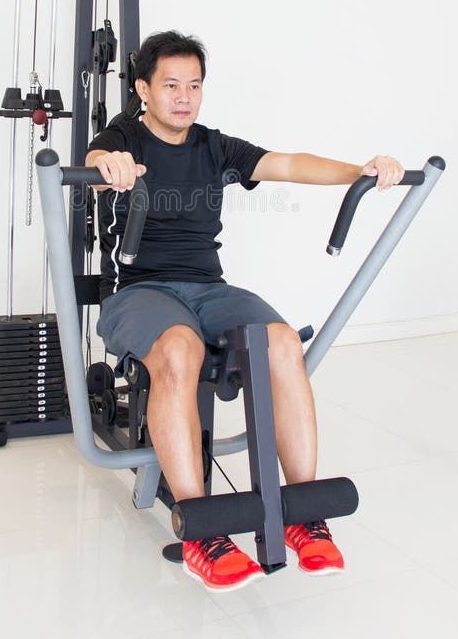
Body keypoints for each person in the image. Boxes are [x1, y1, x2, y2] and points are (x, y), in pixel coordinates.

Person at [86, 31, 404, 592]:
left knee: (281, 340)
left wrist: (362, 169)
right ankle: (201, 531)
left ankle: (305, 517)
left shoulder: (214, 146)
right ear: (143, 89)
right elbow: (98, 153)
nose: (184, 97)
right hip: (137, 291)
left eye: (194, 85)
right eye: (170, 85)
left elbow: (290, 164)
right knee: (179, 349)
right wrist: (109, 163)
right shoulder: (126, 136)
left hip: (209, 287)